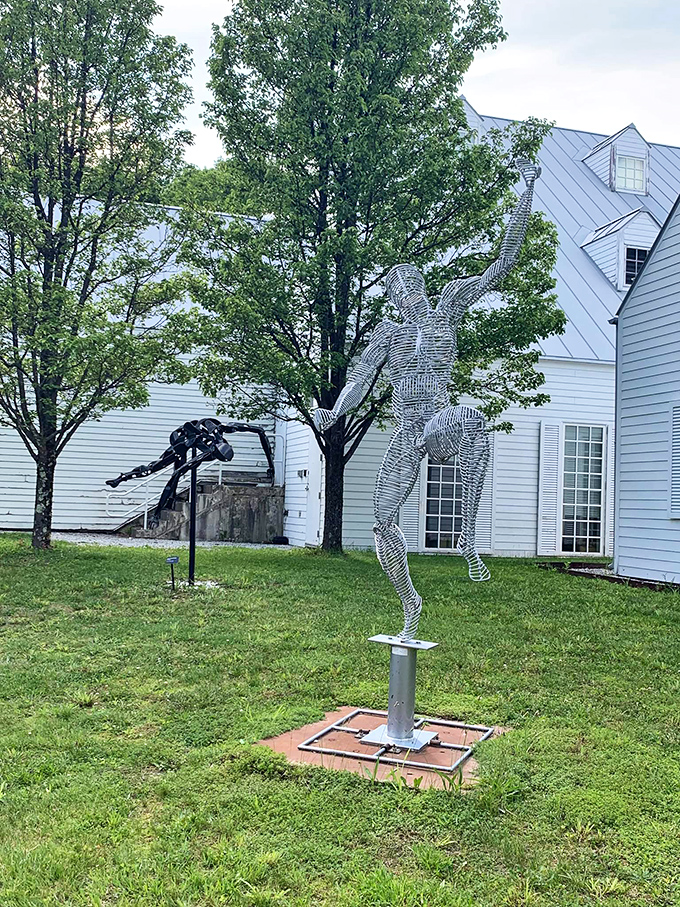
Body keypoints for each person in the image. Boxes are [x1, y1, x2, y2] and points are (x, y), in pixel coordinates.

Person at [314, 160, 542, 639]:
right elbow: (359, 379)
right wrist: (335, 412)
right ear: (393, 299)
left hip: (439, 419)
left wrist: (526, 188)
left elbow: (502, 264)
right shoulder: (387, 335)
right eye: (395, 290)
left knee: (476, 424)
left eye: (409, 283)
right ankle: (410, 601)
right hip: (405, 434)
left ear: (420, 286)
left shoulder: (449, 310)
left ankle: (466, 536)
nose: (404, 294)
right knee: (381, 521)